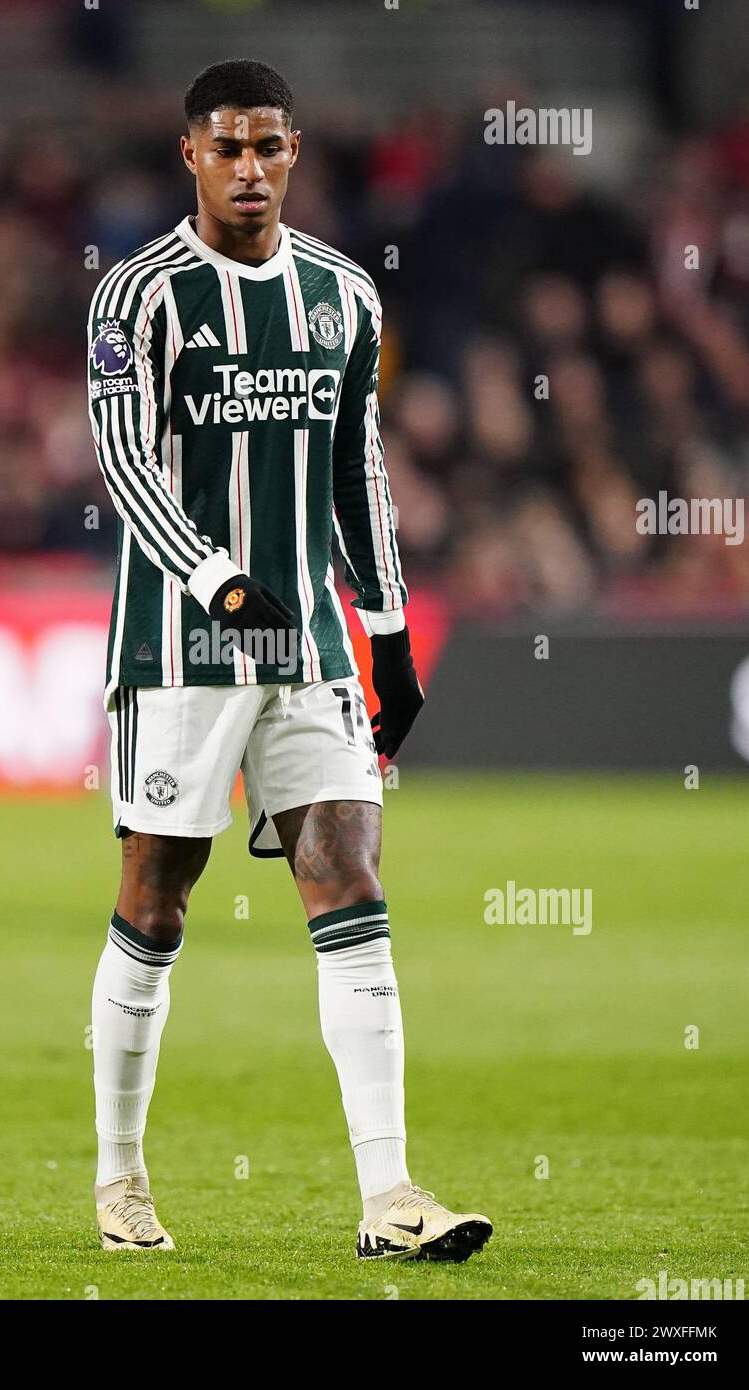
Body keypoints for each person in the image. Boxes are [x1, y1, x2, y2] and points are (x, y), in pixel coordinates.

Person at [86, 59, 492, 1261]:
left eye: (269, 147)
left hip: (306, 642)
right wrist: (217, 576)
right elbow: (123, 462)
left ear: (295, 153)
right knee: (156, 900)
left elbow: (353, 470)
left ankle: (390, 1198)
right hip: (180, 645)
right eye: (227, 148)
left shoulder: (346, 296)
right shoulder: (136, 298)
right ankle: (120, 1180)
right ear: (190, 157)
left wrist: (386, 625)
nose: (250, 168)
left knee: (349, 878)